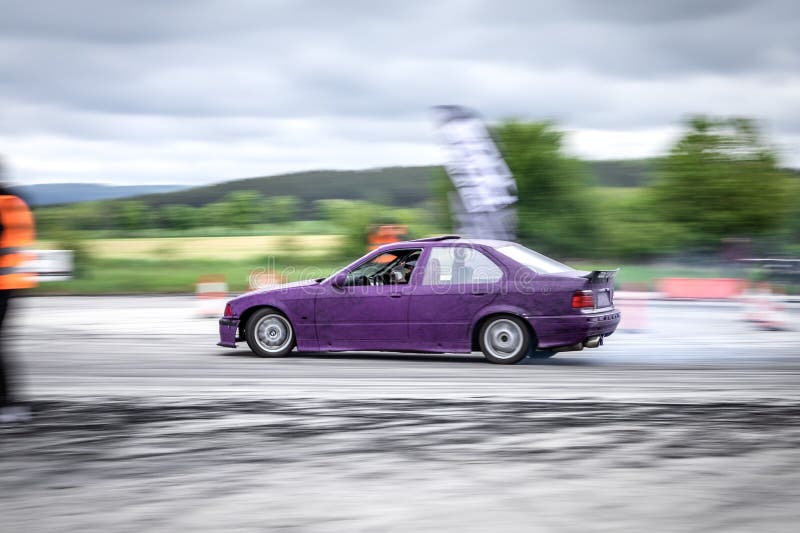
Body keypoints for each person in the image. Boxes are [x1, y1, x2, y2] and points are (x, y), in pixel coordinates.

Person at [0, 160, 36, 423]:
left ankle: (9, 405)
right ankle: (10, 404)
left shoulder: (4, 203)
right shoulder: (14, 200)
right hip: (11, 282)